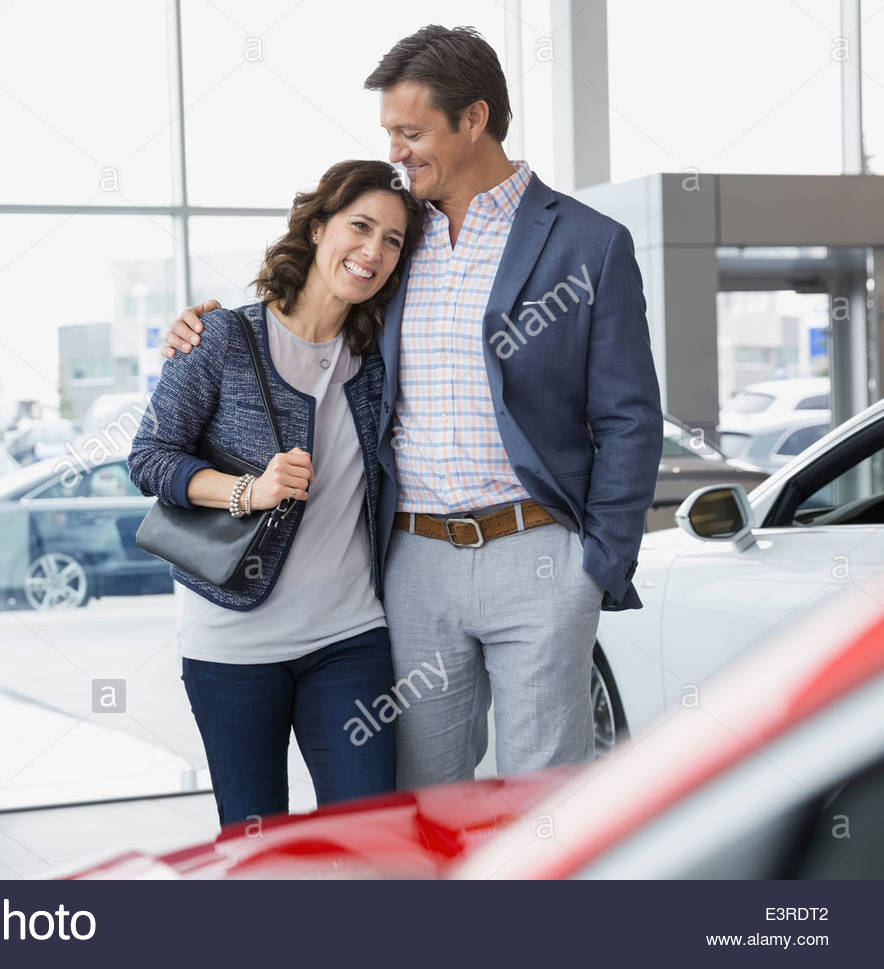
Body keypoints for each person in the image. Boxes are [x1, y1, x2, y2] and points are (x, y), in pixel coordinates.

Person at [162, 26, 662, 786]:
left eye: (411, 131)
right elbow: (310, 315)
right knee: (422, 803)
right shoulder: (396, 241)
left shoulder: (589, 245)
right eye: (389, 133)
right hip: (412, 562)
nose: (396, 150)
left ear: (473, 119)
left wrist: (594, 567)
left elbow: (630, 417)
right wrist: (204, 325)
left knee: (543, 802)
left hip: (539, 557)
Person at [128, 160, 424, 826]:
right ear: (318, 227)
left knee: (370, 840)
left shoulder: (378, 357)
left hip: (350, 640)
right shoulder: (222, 338)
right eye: (360, 226)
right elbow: (148, 458)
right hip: (233, 648)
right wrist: (247, 492)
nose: (374, 250)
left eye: (394, 240)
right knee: (254, 850)